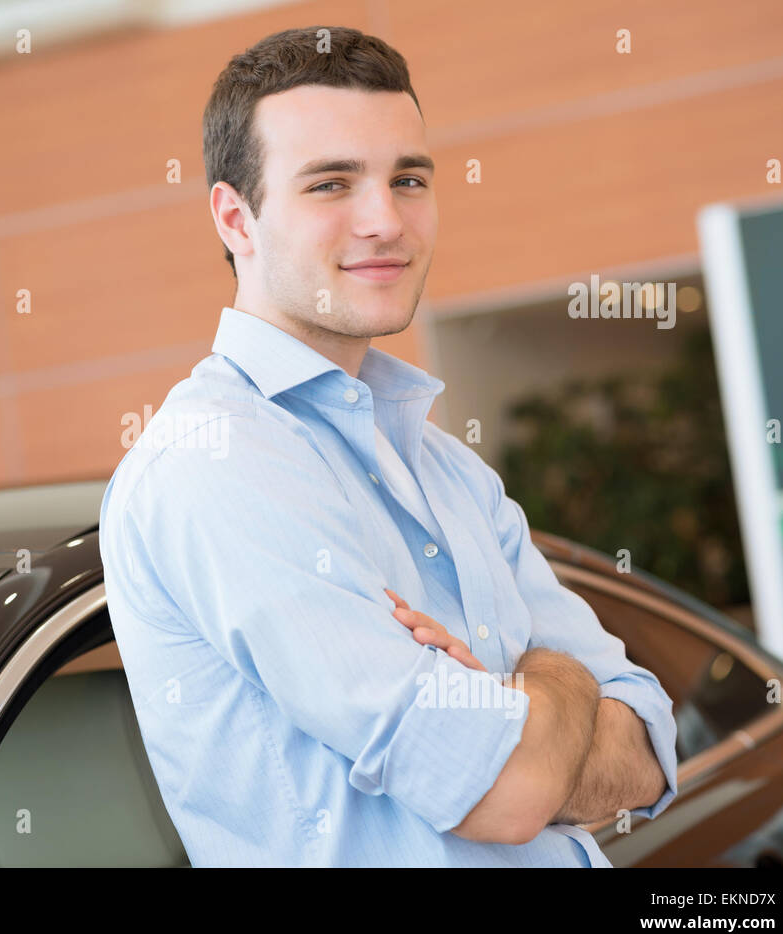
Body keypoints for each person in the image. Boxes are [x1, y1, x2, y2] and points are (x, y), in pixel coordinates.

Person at [98, 25, 676, 866]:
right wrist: (558, 681)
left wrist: (519, 710)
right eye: (331, 184)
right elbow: (503, 790)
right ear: (236, 218)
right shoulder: (211, 463)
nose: (386, 220)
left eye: (409, 178)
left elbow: (649, 745)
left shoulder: (449, 468)